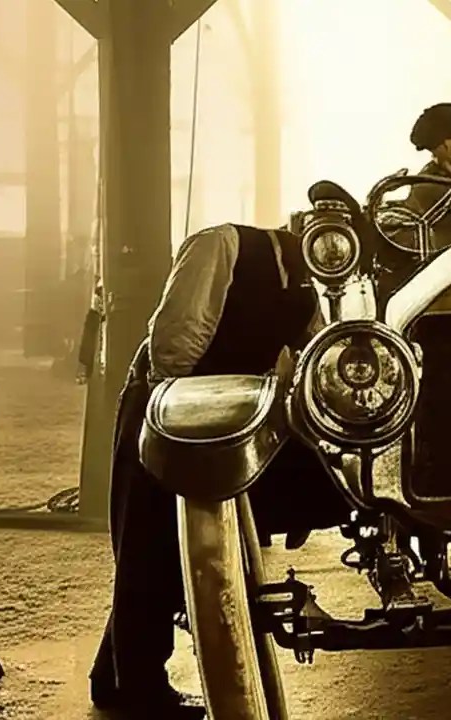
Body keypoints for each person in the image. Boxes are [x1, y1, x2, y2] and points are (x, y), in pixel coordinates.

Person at [89, 223, 351, 716]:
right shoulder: (223, 246)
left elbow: (312, 356)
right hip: (167, 407)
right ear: (299, 227)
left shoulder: (304, 278)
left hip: (228, 419)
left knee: (169, 556)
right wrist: (180, 435)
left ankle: (114, 674)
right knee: (150, 547)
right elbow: (172, 347)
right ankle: (139, 692)